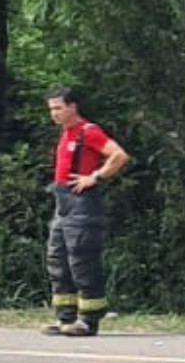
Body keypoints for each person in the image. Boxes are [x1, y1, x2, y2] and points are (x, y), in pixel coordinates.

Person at [43, 86, 129, 336]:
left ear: (73, 106)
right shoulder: (66, 134)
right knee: (57, 260)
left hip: (82, 204)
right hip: (63, 205)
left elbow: (119, 155)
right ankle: (65, 318)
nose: (54, 114)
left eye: (58, 108)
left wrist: (95, 177)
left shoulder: (87, 132)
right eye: (51, 109)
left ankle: (88, 319)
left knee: (82, 260)